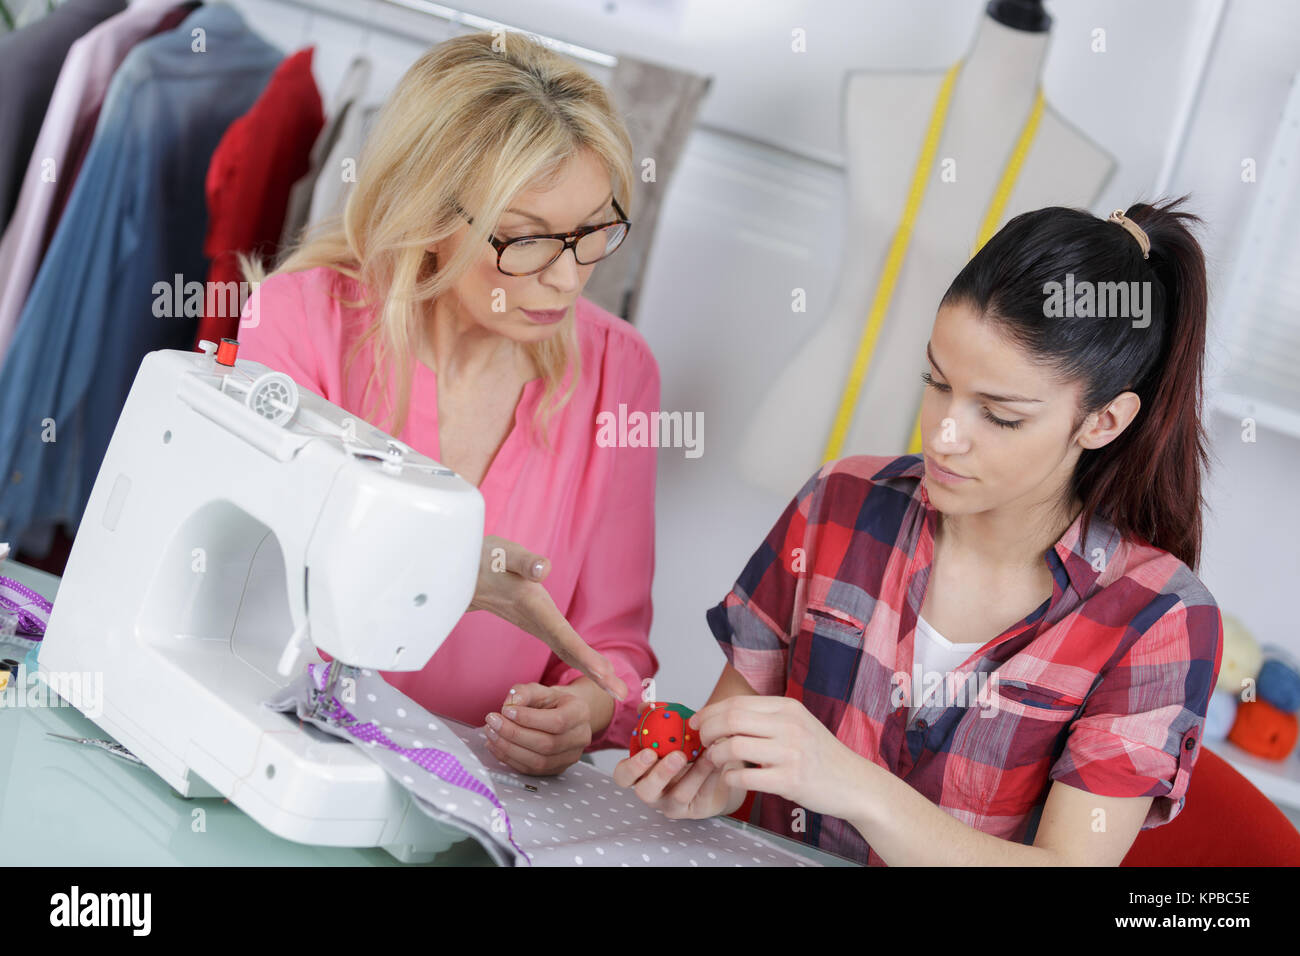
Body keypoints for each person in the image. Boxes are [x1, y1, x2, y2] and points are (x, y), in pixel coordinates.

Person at [616, 198, 1224, 866]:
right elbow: (730, 761)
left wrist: (853, 785)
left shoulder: (1160, 617)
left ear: (1103, 422)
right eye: (936, 382)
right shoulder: (839, 503)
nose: (944, 434)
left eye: (999, 414)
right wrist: (698, 786)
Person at [238, 32, 660, 775]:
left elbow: (613, 648)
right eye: (528, 241)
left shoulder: (619, 373)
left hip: (472, 794)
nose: (568, 279)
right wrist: (449, 575)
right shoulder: (301, 321)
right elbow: (253, 577)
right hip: (279, 748)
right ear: (430, 217)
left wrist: (583, 712)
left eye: (594, 231)